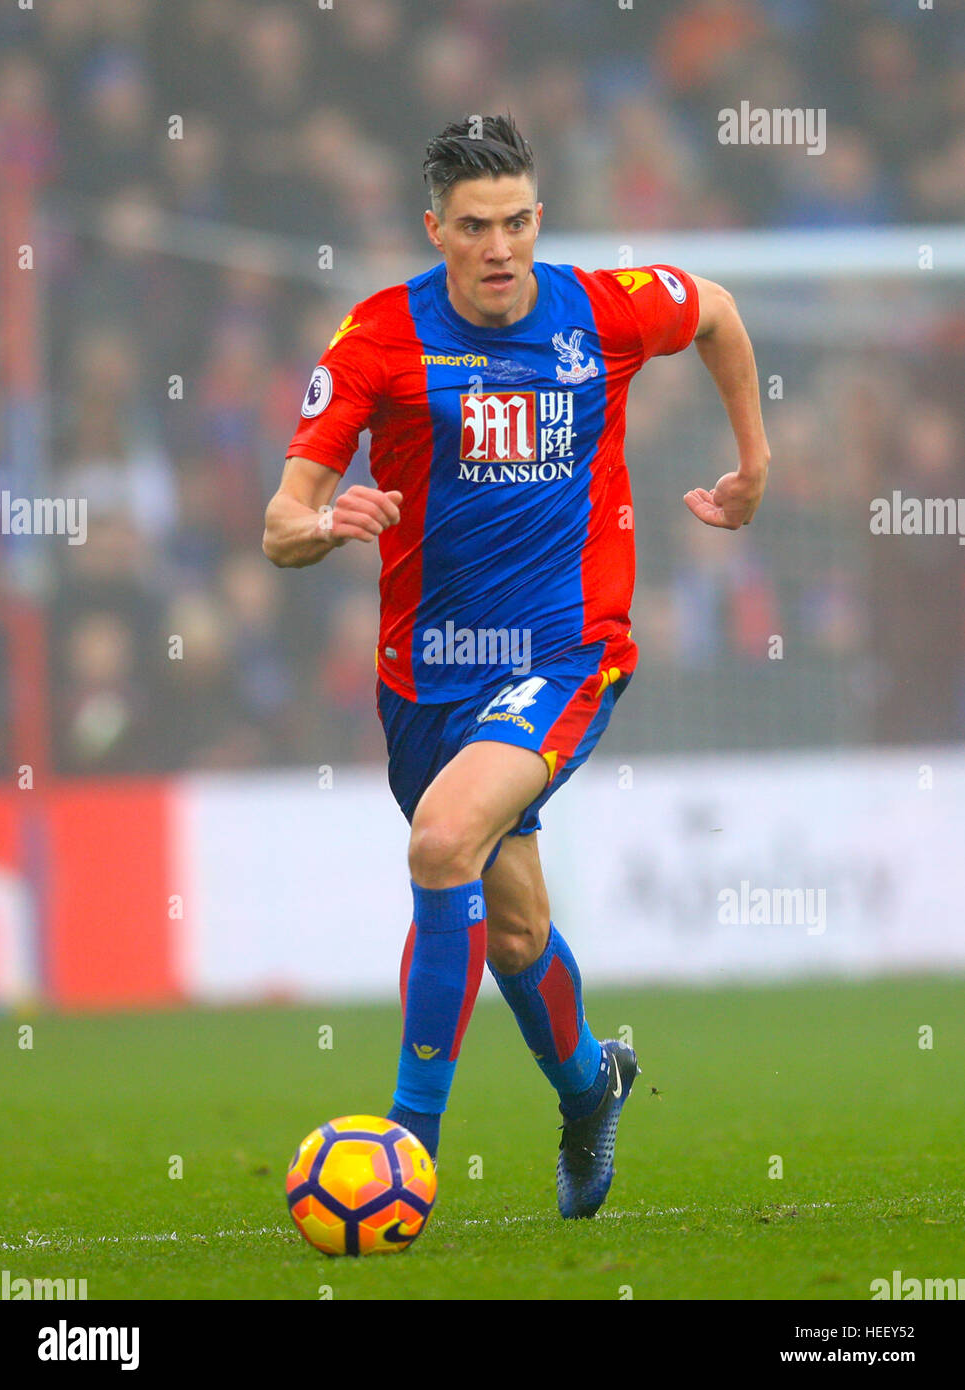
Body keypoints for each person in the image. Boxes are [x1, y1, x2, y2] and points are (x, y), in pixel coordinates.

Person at [263, 114, 768, 1218]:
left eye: (519, 221)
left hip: (566, 649)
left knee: (440, 841)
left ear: (538, 217)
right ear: (434, 226)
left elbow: (718, 312)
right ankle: (592, 1090)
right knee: (516, 930)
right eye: (477, 226)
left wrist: (752, 463)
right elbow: (279, 522)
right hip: (425, 676)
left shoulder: (601, 309)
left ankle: (406, 1145)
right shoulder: (377, 338)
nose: (501, 247)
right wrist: (324, 521)